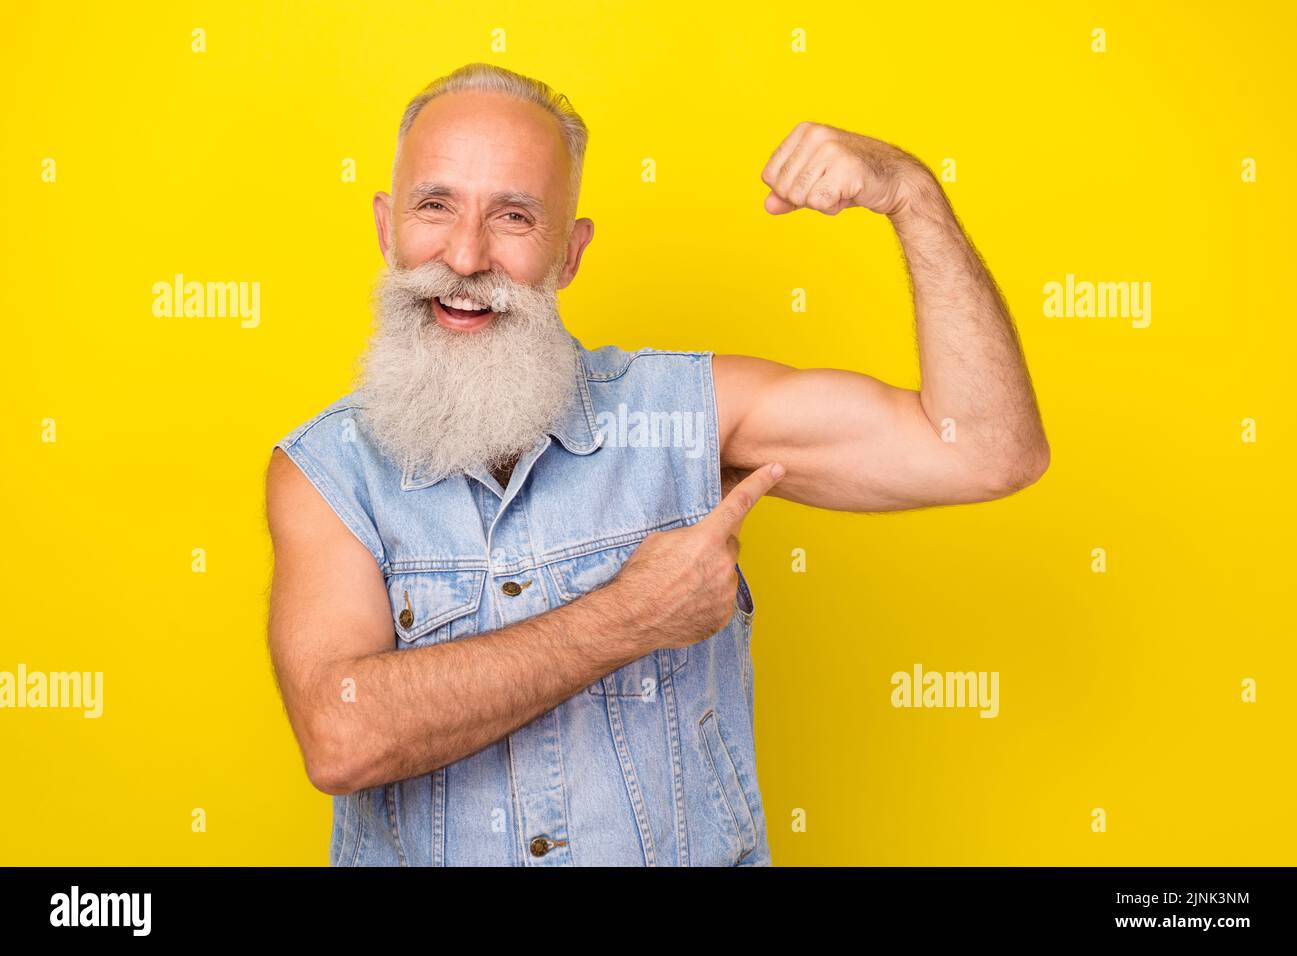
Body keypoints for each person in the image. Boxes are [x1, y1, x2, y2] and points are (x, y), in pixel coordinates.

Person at [264, 62, 1049, 866]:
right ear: (387, 227)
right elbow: (342, 736)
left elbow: (987, 452)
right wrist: (633, 616)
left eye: (514, 217)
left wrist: (912, 195)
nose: (465, 257)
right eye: (436, 207)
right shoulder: (325, 472)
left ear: (570, 254)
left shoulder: (686, 414)